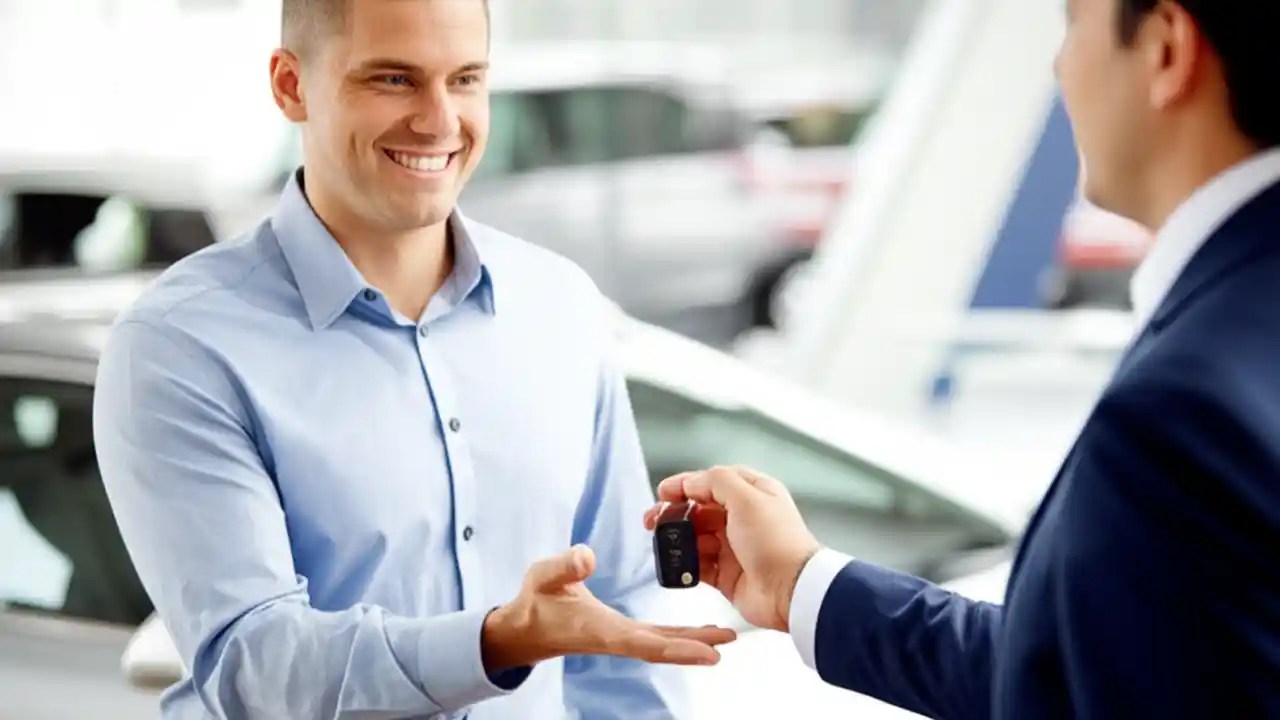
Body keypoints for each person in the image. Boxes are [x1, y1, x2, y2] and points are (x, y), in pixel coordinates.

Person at [92, 1, 733, 718]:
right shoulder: (182, 345)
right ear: (289, 85)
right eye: (393, 79)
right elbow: (257, 665)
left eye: (465, 79)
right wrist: (493, 644)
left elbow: (621, 617)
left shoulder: (561, 307)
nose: (439, 120)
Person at [650, 0, 1280, 717]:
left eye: (1074, 24)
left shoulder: (1181, 414)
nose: (1059, 65)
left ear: (1165, 51)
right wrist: (802, 585)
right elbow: (1076, 676)